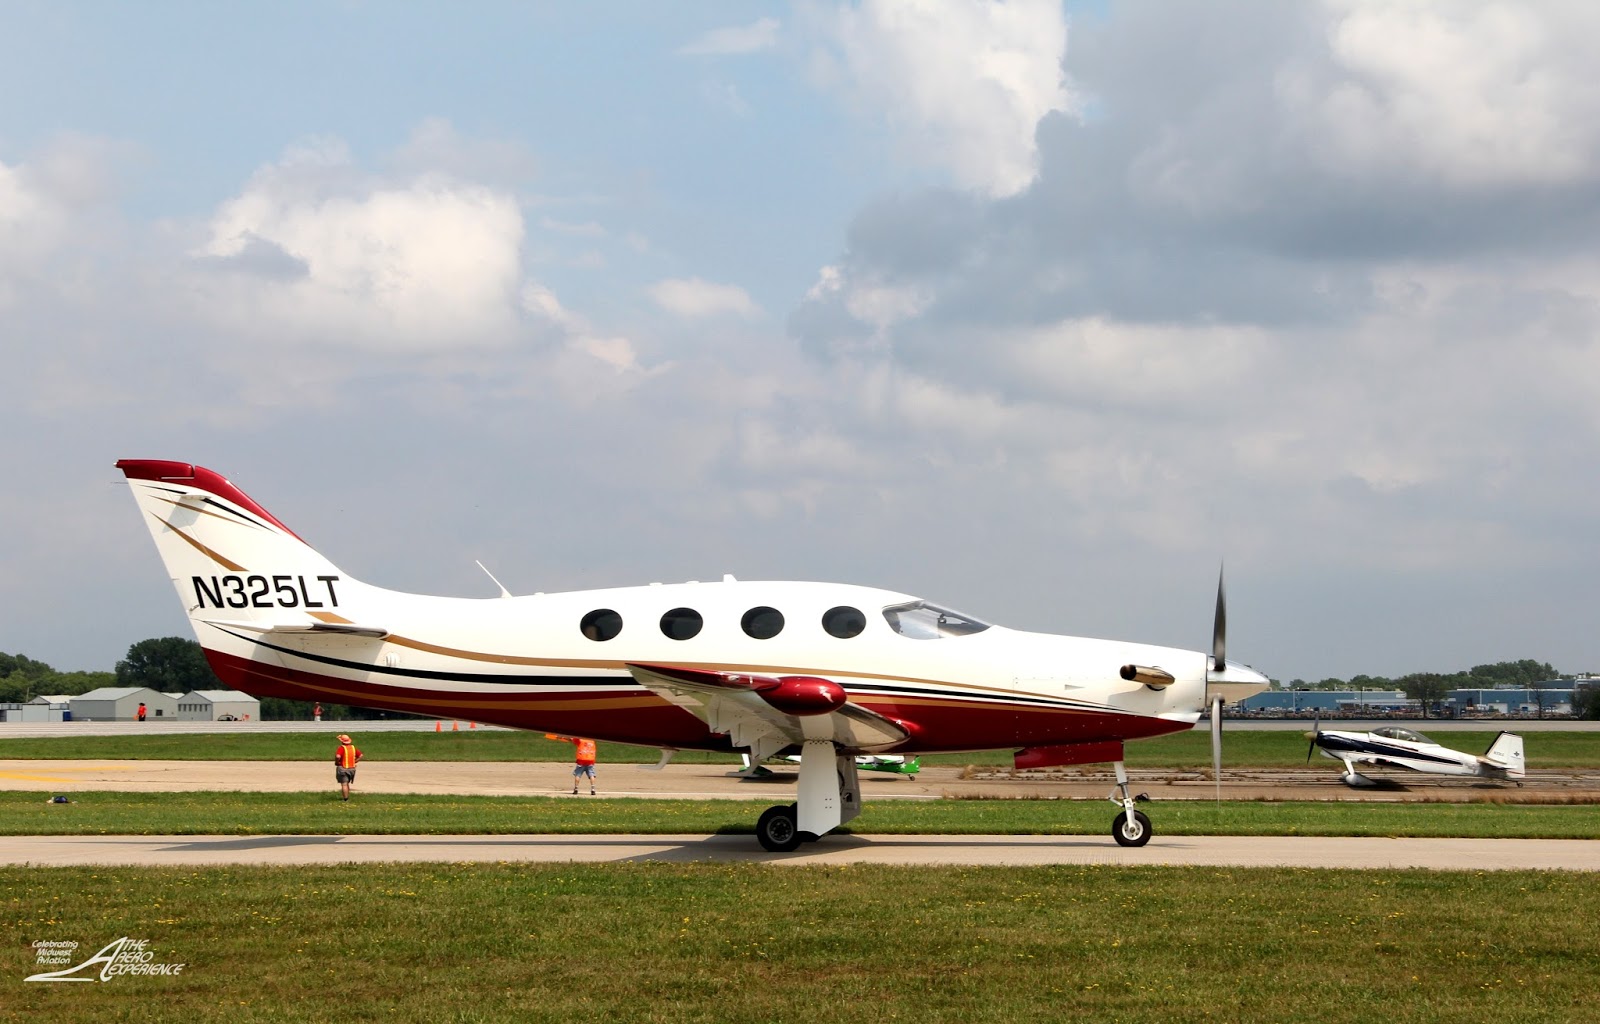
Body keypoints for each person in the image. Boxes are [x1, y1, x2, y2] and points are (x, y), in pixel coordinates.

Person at [333, 734, 363, 801]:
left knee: (344, 784)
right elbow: (360, 755)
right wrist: (355, 761)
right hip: (352, 768)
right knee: (347, 783)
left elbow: (338, 756)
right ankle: (347, 797)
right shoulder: (353, 747)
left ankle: (345, 799)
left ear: (342, 741)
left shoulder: (341, 748)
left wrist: (337, 762)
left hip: (343, 768)